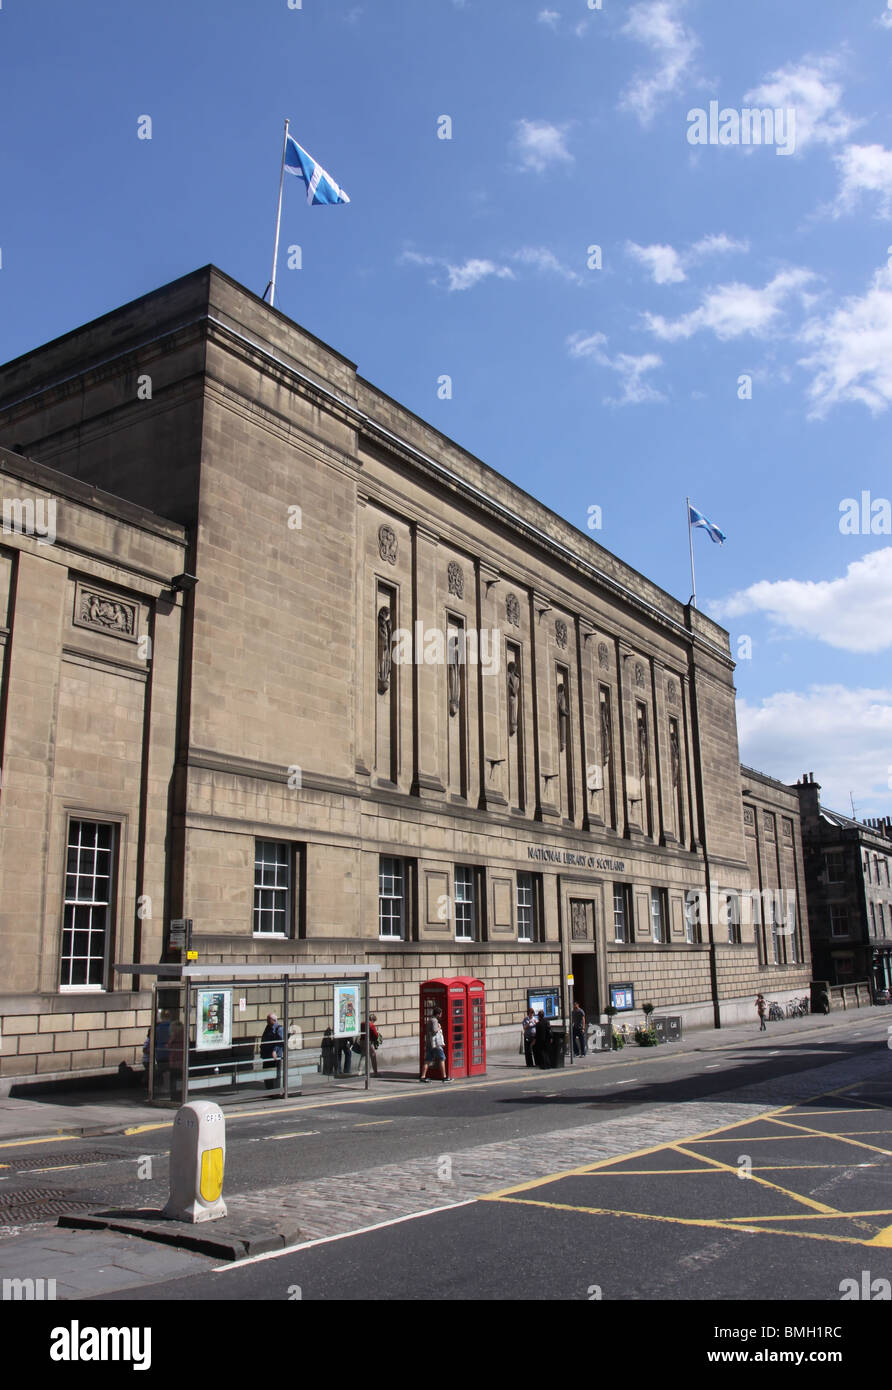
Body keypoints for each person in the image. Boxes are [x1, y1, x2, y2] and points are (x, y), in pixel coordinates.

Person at [420, 1005, 449, 1082]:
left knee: (427, 1060)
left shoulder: (430, 1019)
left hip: (429, 1043)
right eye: (441, 1013)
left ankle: (423, 1077)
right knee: (442, 1058)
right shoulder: (434, 1020)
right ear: (438, 1014)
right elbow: (434, 1030)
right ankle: (444, 1077)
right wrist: (439, 1027)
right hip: (435, 1044)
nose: (441, 1015)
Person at [260, 1013, 284, 1089]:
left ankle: (274, 1089)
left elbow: (280, 1041)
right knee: (266, 1071)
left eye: (268, 1019)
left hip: (274, 1056)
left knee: (274, 1072)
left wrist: (274, 1051)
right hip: (266, 1054)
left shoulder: (279, 1029)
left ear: (274, 1020)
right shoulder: (268, 1027)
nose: (267, 1021)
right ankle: (268, 1088)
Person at [167, 1019, 185, 1101]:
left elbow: (168, 1047)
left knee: (175, 1080)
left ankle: (176, 1097)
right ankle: (177, 1096)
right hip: (178, 1062)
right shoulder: (184, 1037)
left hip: (176, 1062)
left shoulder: (175, 1038)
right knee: (177, 1080)